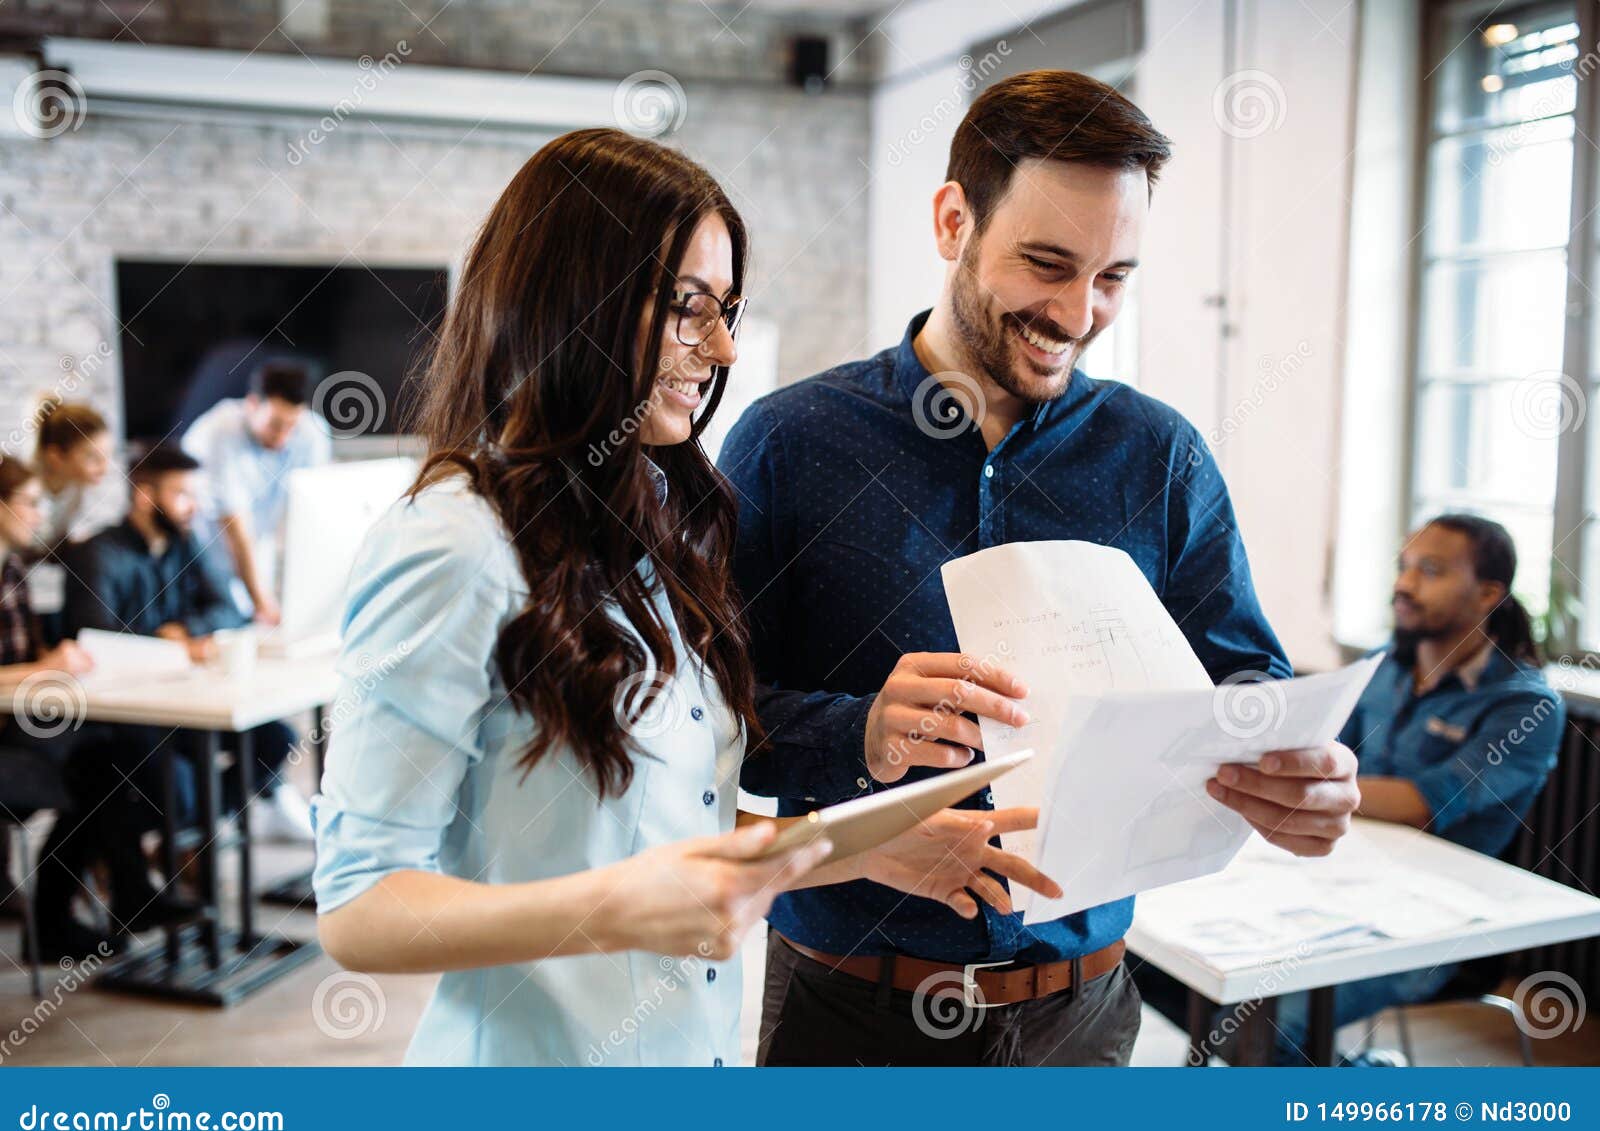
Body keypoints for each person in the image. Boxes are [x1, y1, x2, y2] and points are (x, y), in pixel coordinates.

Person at [311, 127, 1059, 1067]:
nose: (724, 348)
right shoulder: (453, 543)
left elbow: (676, 830)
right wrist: (612, 904)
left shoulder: (654, 522)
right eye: (686, 308)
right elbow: (359, 904)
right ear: (571, 299)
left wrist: (863, 849)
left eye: (728, 309)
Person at [718, 69, 1361, 1067]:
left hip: (1084, 1016)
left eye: (1112, 277)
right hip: (841, 1013)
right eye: (1046, 263)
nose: (1076, 312)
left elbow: (1243, 684)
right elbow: (710, 722)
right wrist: (861, 735)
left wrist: (1294, 771)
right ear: (950, 221)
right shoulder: (788, 443)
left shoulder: (1161, 457)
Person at [1144, 514, 1564, 1065]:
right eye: (1404, 567)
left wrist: (1307, 787)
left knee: (1271, 1027)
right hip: (1340, 881)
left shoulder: (1526, 704)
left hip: (1440, 924)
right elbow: (1324, 758)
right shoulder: (1385, 668)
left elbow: (1423, 802)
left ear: (1488, 593)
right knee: (1147, 963)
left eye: (1430, 571)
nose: (1405, 584)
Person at [59, 445, 308, 841]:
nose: (192, 506)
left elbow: (229, 608)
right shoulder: (97, 553)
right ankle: (165, 844)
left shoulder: (184, 542)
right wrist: (168, 643)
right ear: (144, 497)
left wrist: (186, 628)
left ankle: (188, 840)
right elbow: (98, 640)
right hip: (125, 711)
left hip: (186, 701)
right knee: (182, 792)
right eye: (181, 494)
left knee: (275, 740)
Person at [0, 455, 189, 959]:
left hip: (20, 725)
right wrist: (42, 669)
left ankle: (111, 902)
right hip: (7, 743)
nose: (40, 517)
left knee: (112, 761)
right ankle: (97, 908)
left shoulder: (12, 568)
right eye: (30, 504)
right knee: (95, 776)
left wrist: (56, 661)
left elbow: (23, 660)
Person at [181, 360, 332, 626]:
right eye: (275, 425)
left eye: (291, 426)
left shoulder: (311, 432)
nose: (283, 436)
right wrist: (263, 603)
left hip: (260, 549)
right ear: (252, 404)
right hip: (205, 558)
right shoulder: (219, 432)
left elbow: (314, 510)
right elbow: (234, 524)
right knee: (229, 624)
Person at [26, 399, 115, 639]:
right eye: (92, 458)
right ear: (56, 457)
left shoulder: (75, 489)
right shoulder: (24, 488)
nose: (104, 468)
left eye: (106, 456)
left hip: (44, 591)